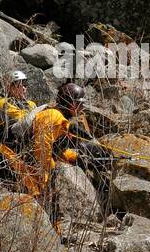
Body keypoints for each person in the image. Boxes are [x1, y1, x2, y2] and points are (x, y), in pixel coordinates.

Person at [18, 83, 108, 219]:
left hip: (30, 164)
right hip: (20, 164)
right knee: (42, 209)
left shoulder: (57, 116)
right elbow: (40, 150)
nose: (82, 108)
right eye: (79, 104)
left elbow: (56, 149)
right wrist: (50, 174)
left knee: (50, 208)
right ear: (70, 103)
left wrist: (75, 157)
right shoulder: (52, 116)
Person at [0, 71, 36, 187]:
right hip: (11, 144)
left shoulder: (31, 104)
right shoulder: (3, 103)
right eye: (19, 84)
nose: (24, 88)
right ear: (9, 87)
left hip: (30, 142)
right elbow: (20, 118)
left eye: (25, 84)